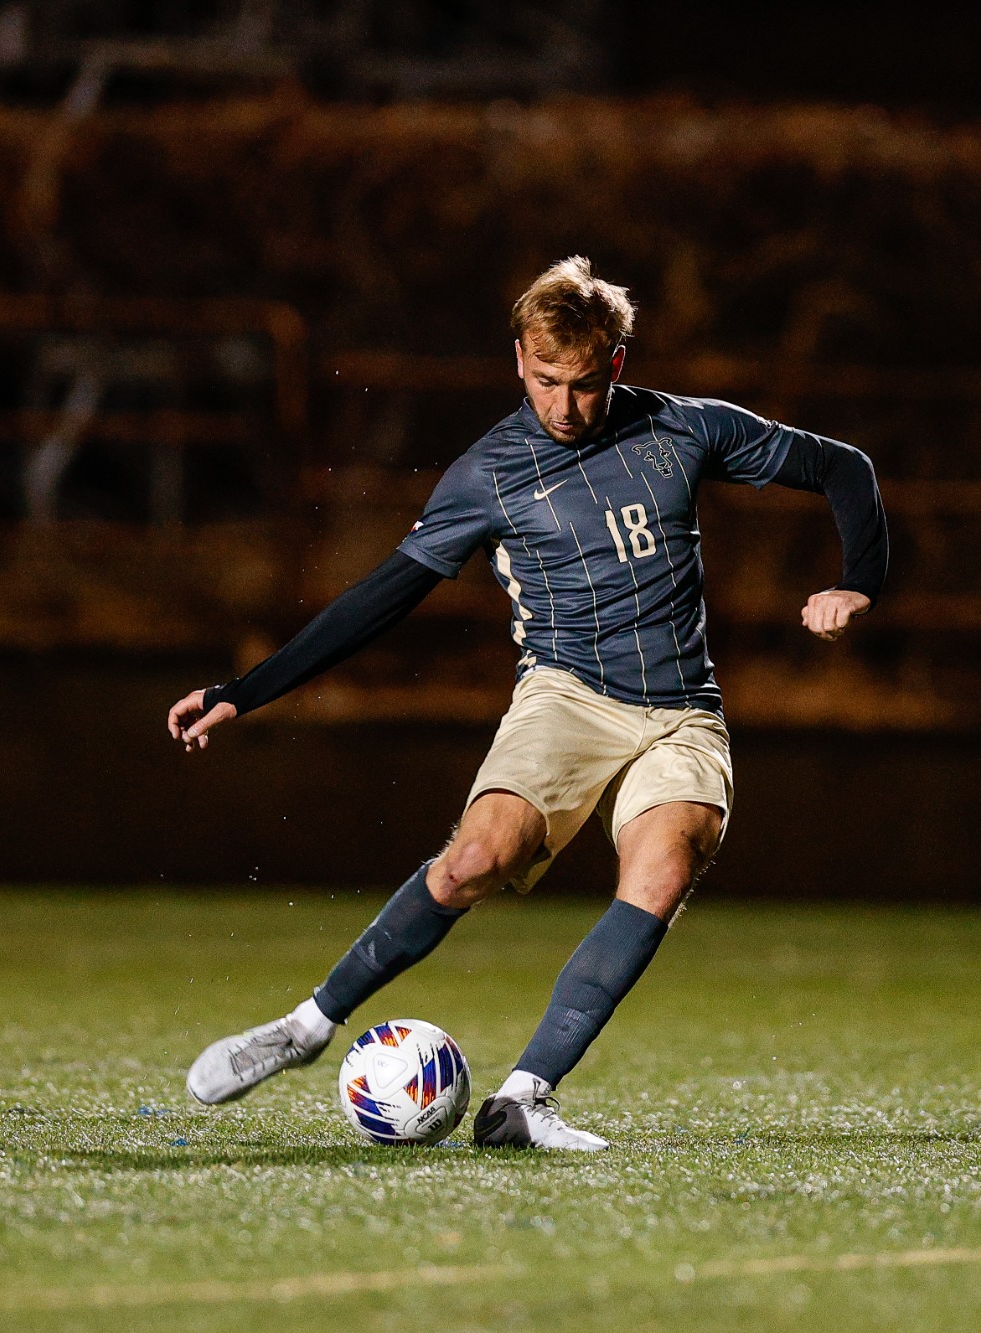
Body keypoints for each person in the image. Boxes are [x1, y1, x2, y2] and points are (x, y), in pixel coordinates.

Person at [168, 256, 888, 1149]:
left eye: (585, 384)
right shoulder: (488, 475)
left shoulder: (679, 430)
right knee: (476, 856)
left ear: (616, 364)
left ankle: (523, 1098)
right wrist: (247, 691)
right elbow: (381, 596)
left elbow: (842, 466)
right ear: (518, 361)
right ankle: (305, 1027)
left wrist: (858, 582)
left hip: (681, 710)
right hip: (567, 697)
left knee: (666, 863)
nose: (564, 405)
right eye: (547, 381)